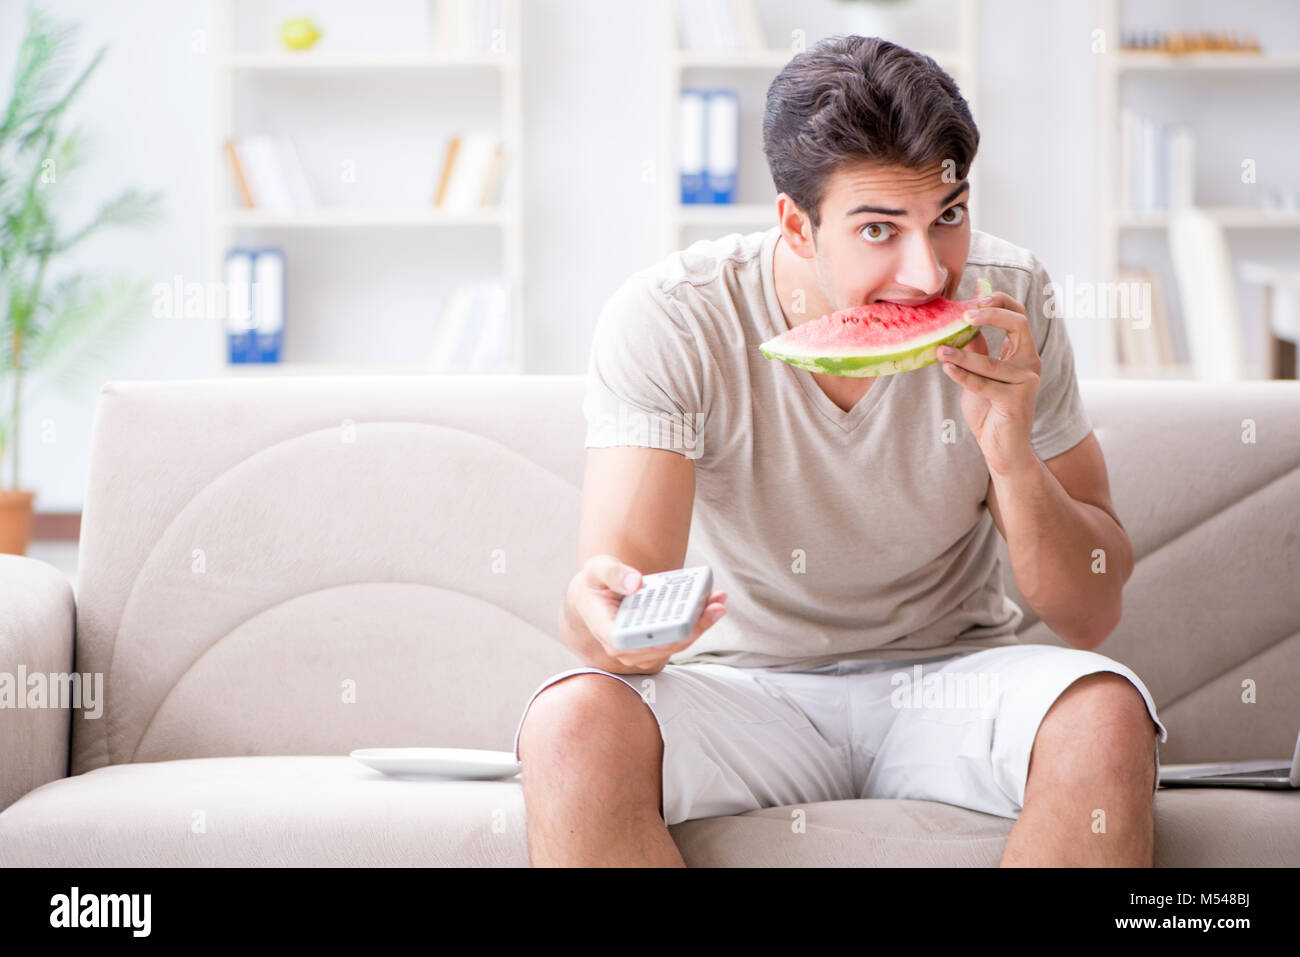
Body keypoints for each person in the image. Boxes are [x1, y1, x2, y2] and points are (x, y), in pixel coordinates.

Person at [514, 34, 1166, 867]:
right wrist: (599, 617)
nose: (929, 273)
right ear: (794, 222)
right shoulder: (673, 317)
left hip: (953, 676)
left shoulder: (1013, 299)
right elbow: (616, 618)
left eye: (949, 216)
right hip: (742, 690)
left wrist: (1010, 454)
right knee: (569, 721)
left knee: (1106, 713)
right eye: (877, 229)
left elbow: (1091, 611)